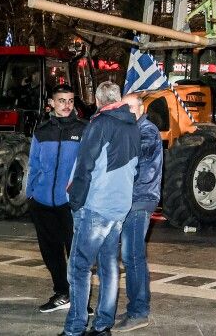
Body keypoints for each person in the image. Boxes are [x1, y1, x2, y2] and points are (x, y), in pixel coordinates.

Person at [61, 82, 140, 336]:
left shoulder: (100, 124)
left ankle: (75, 328)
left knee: (79, 266)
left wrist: (75, 201)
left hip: (96, 206)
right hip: (119, 207)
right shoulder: (133, 127)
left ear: (97, 100)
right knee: (109, 266)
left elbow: (84, 166)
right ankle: (103, 325)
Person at [26, 84, 86, 313]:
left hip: (69, 204)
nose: (66, 105)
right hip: (41, 202)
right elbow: (33, 164)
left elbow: (87, 167)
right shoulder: (42, 131)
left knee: (76, 253)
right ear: (52, 103)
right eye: (61, 100)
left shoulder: (83, 130)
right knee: (51, 252)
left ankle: (80, 299)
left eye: (70, 100)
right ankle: (62, 292)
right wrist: (30, 194)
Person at [113, 94, 163, 333]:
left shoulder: (147, 130)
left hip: (139, 199)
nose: (126, 112)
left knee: (132, 256)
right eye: (123, 107)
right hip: (131, 199)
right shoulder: (135, 128)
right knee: (131, 255)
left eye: (130, 108)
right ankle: (136, 306)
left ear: (141, 108)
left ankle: (139, 312)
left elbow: (137, 157)